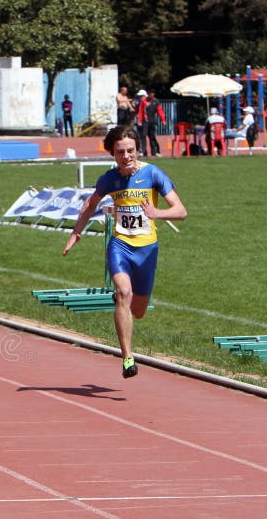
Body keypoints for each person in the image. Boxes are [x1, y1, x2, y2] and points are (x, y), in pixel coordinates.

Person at [62, 125, 187, 379]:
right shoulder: (109, 179)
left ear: (137, 150)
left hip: (147, 249)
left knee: (138, 311)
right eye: (121, 152)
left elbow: (181, 211)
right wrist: (76, 232)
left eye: (130, 151)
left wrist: (157, 213)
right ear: (113, 154)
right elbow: (90, 204)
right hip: (120, 245)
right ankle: (128, 357)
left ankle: (124, 305)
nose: (126, 156)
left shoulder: (153, 174)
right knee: (123, 293)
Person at [143, 90, 165, 156]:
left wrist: (163, 120)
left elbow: (160, 111)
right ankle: (144, 152)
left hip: (152, 121)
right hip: (145, 122)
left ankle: (155, 152)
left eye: (152, 93)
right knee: (143, 136)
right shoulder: (144, 101)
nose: (151, 94)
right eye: (150, 93)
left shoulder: (156, 101)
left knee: (152, 137)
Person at [134, 89, 148, 156]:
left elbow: (141, 112)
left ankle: (143, 150)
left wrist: (139, 120)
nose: (140, 97)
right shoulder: (140, 102)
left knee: (143, 136)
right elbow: (138, 111)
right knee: (141, 136)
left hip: (144, 121)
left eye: (141, 96)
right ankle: (142, 150)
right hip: (141, 120)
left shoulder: (144, 102)